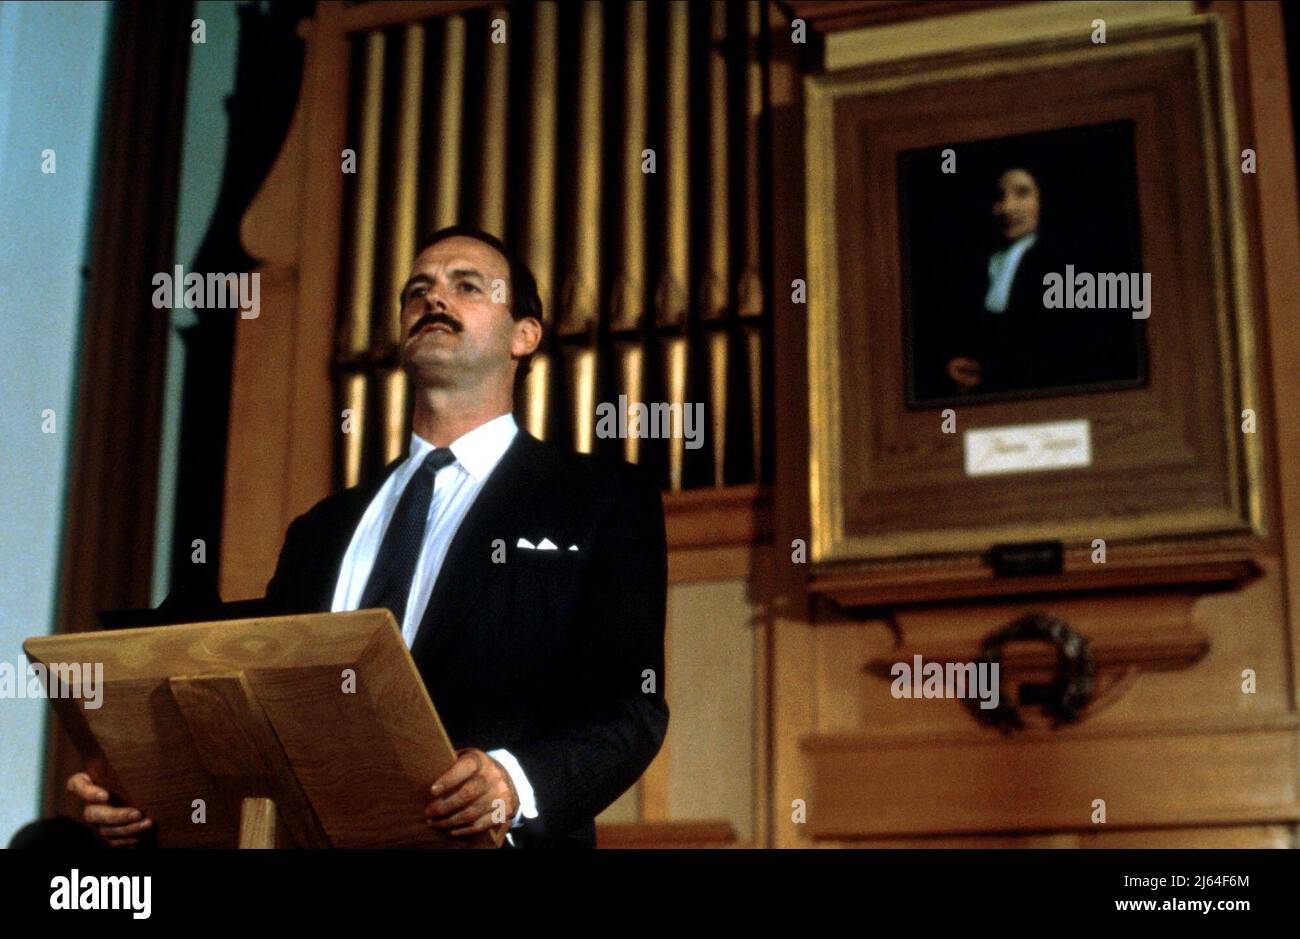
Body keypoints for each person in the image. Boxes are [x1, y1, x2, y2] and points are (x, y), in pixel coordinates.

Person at [66, 226, 669, 849]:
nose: (434, 300)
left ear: (525, 335)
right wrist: (139, 788)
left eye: (467, 286)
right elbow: (264, 712)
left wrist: (513, 782)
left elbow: (632, 709)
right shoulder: (322, 529)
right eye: (417, 291)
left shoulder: (600, 500)